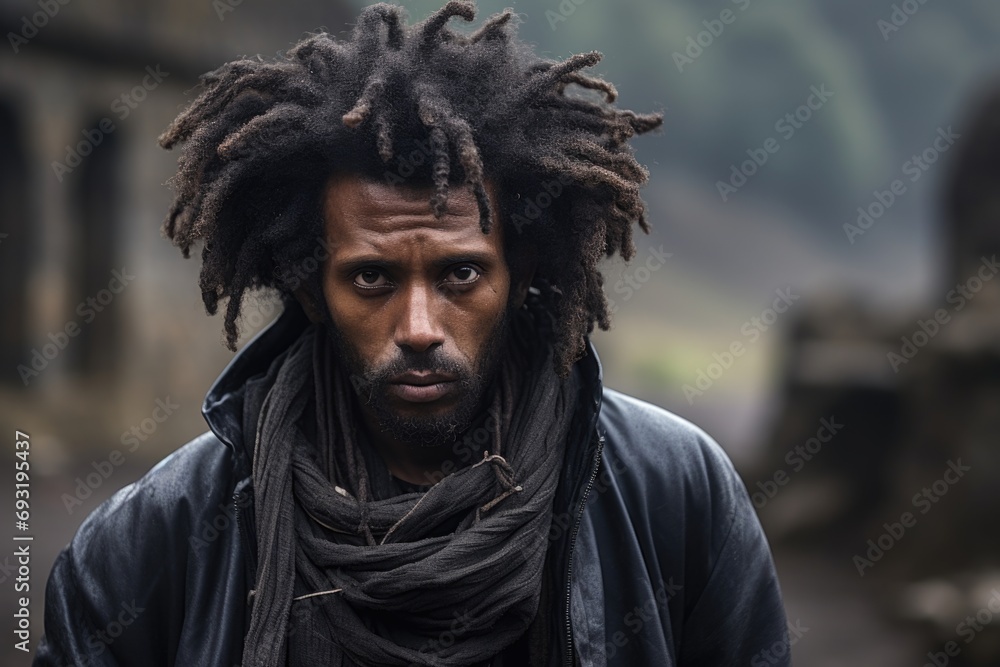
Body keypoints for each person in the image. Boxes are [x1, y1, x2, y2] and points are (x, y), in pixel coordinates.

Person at [35, 3, 788, 665]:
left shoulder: (675, 496)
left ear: (520, 271)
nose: (419, 328)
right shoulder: (144, 549)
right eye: (372, 278)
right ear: (310, 284)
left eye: (460, 275)